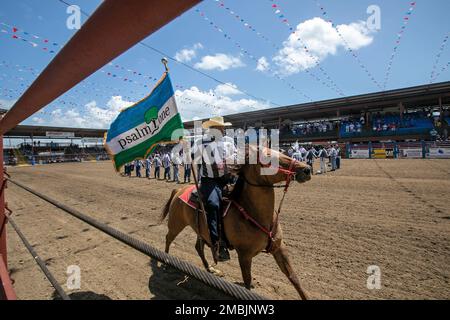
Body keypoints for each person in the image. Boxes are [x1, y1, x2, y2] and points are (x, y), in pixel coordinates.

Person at [193, 116, 236, 262]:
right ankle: (216, 243)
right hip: (209, 179)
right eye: (219, 128)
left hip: (227, 176)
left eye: (223, 128)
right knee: (213, 204)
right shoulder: (201, 142)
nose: (222, 130)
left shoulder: (229, 142)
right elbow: (196, 160)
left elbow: (234, 157)